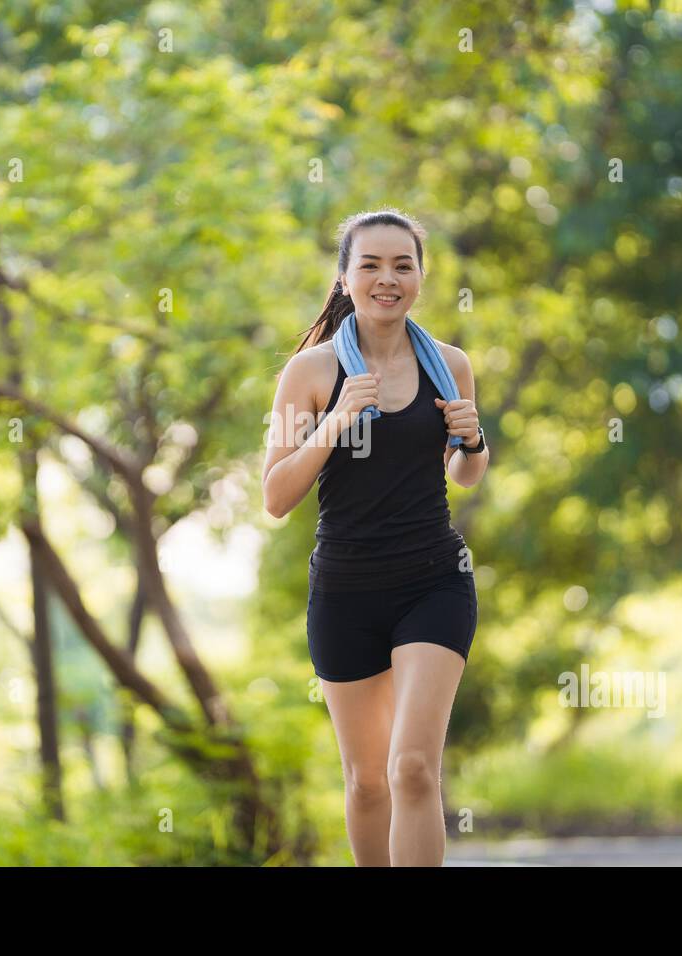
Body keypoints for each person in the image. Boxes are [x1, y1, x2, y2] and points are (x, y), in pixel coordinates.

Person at [261, 208, 490, 866]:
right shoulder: (309, 373)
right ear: (344, 278)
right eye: (370, 264)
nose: (387, 278)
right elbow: (276, 497)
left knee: (413, 769)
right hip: (346, 591)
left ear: (420, 276)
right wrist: (335, 421)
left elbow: (465, 473)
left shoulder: (449, 364)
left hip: (434, 584)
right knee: (365, 784)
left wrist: (473, 438)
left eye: (402, 265)